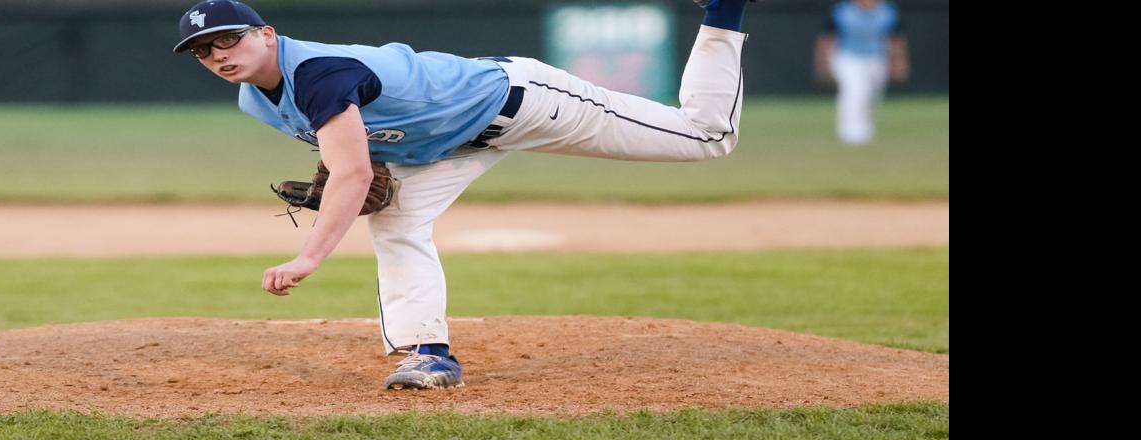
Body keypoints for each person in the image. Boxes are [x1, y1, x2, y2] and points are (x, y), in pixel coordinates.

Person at [172, 0, 754, 390]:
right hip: (446, 144)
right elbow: (358, 145)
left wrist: (310, 256)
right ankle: (428, 353)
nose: (220, 54)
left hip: (523, 103)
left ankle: (725, 12)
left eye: (229, 39)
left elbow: (350, 174)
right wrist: (358, 163)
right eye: (204, 50)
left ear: (267, 35)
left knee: (704, 139)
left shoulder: (320, 72)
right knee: (396, 222)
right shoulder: (254, 98)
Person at [815, 0, 908, 145]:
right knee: (855, 91)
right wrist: (823, 62)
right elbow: (827, 39)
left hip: (876, 57)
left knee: (873, 95)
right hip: (848, 57)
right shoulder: (842, 11)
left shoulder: (887, 12)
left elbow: (895, 39)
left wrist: (898, 62)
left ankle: (865, 129)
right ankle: (849, 132)